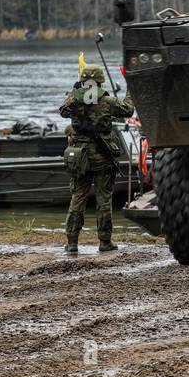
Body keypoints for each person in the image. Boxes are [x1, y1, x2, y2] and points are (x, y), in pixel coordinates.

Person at [60, 63, 134, 254]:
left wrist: (76, 91)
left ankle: (72, 243)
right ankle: (104, 242)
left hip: (79, 157)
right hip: (102, 157)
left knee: (77, 198)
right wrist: (130, 88)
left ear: (82, 81)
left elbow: (62, 110)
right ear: (100, 81)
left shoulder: (72, 100)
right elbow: (128, 110)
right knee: (104, 200)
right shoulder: (107, 102)